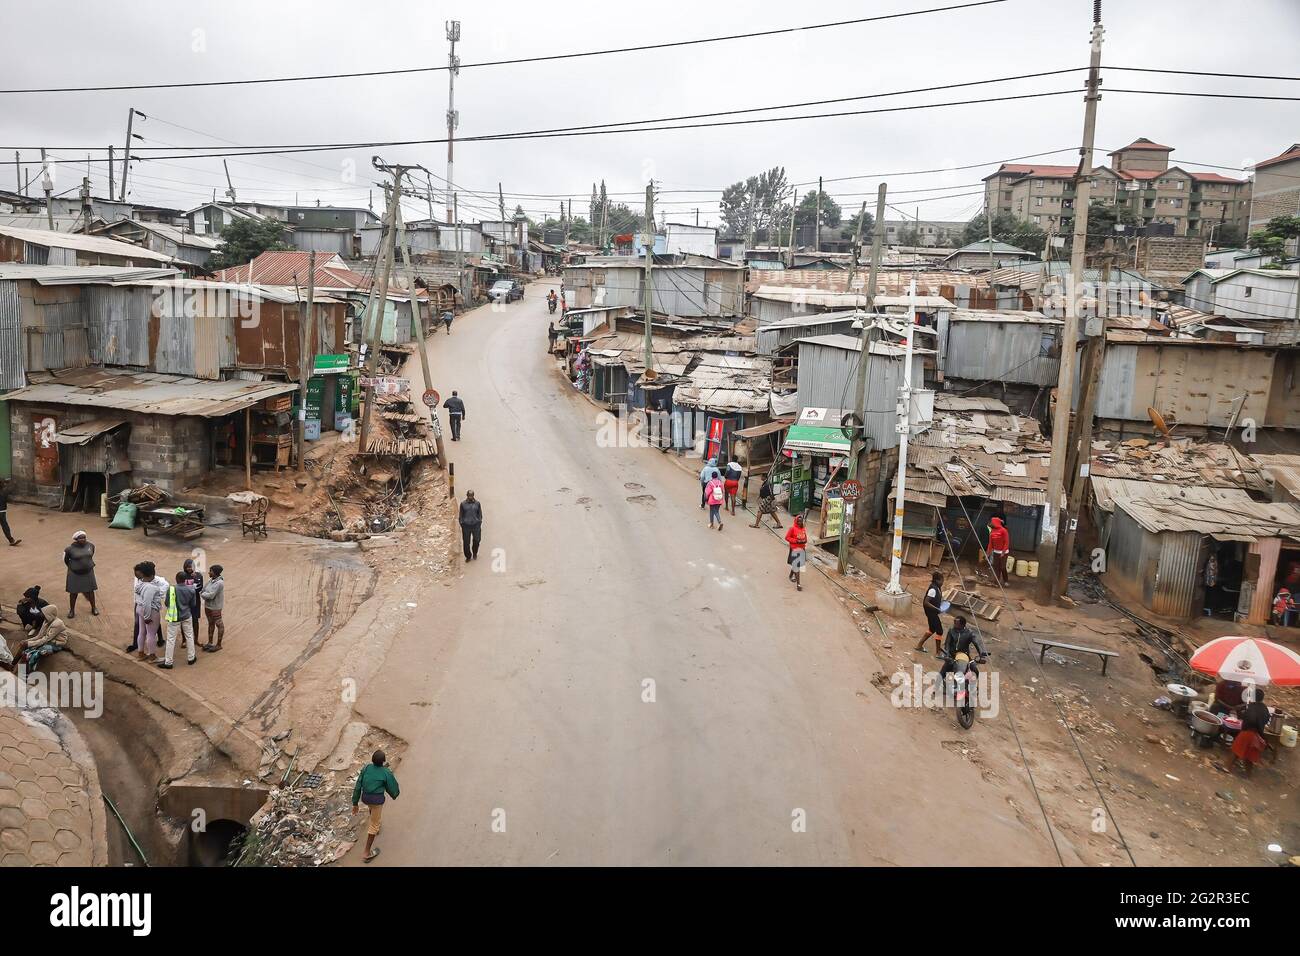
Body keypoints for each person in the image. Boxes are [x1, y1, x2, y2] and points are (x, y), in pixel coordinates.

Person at [351, 749, 400, 863]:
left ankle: (375, 829)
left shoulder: (366, 768)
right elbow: (392, 787)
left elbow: (358, 785)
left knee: (371, 809)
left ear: (372, 760)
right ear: (383, 761)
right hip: (376, 801)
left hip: (365, 798)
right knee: (374, 825)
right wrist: (395, 794)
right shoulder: (386, 772)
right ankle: (366, 853)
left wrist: (355, 803)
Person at [1222, 688, 1271, 777]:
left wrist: (1239, 712)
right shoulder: (1264, 708)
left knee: (1235, 750)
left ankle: (1227, 767)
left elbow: (1250, 719)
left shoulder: (1252, 707)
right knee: (1249, 755)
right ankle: (1248, 774)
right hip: (1258, 734)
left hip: (1248, 732)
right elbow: (1266, 719)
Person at [158, 572, 198, 669]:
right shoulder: (191, 589)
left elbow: (167, 603)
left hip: (174, 617)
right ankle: (191, 658)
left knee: (171, 639)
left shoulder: (172, 589)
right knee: (189, 636)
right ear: (185, 580)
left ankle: (168, 662)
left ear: (176, 579)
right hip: (187, 616)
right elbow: (193, 604)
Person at [938, 615, 987, 693]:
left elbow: (976, 643)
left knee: (975, 669)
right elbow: (947, 643)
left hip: (964, 655)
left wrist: (981, 654)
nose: (954, 625)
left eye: (956, 623)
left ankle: (973, 686)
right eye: (954, 623)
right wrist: (947, 654)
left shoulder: (969, 633)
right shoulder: (951, 631)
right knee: (944, 670)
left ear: (962, 624)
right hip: (952, 655)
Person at [18, 605, 68, 677]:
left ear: (49, 614)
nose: (41, 615)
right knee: (25, 653)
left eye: (43, 613)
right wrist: (27, 641)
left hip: (56, 644)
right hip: (47, 641)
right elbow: (39, 636)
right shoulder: (46, 621)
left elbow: (46, 639)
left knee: (34, 655)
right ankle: (21, 673)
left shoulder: (57, 624)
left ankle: (27, 675)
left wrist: (29, 643)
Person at [63, 531, 98, 619]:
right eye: (80, 538)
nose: (83, 539)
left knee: (91, 591)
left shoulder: (91, 546)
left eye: (84, 537)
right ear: (76, 539)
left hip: (88, 572)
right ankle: (72, 610)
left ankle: (94, 608)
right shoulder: (69, 549)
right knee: (73, 592)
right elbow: (66, 560)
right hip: (74, 573)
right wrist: (74, 567)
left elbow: (91, 555)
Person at [915, 572, 946, 654]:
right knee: (939, 631)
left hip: (933, 612)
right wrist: (937, 609)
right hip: (931, 613)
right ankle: (938, 652)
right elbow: (926, 602)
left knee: (932, 629)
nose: (943, 582)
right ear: (937, 580)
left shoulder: (937, 587)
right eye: (942, 580)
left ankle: (919, 645)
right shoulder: (933, 589)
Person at [200, 564, 225, 653]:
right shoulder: (211, 580)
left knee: (219, 624)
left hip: (215, 607)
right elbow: (204, 590)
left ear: (215, 573)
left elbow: (210, 595)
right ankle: (210, 643)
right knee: (211, 623)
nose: (209, 572)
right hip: (208, 606)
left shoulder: (219, 583)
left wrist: (202, 595)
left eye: (210, 571)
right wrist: (204, 594)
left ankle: (219, 644)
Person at [179, 558, 204, 635]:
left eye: (191, 567)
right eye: (188, 567)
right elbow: (180, 587)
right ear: (185, 567)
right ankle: (184, 640)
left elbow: (200, 588)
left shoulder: (199, 575)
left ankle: (195, 639)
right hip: (185, 601)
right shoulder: (182, 575)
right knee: (184, 620)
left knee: (195, 620)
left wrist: (195, 578)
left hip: (195, 601)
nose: (189, 568)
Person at [785, 514, 808, 591]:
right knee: (797, 567)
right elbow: (787, 537)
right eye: (798, 521)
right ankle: (798, 584)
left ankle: (791, 575)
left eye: (801, 521)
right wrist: (796, 541)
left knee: (797, 565)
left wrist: (804, 541)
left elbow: (806, 538)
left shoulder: (803, 529)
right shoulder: (792, 529)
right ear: (796, 521)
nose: (799, 523)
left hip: (802, 549)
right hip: (795, 549)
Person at [459, 490, 483, 561]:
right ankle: (468, 556)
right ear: (467, 495)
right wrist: (462, 524)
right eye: (469, 495)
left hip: (476, 526)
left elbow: (480, 514)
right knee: (466, 543)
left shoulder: (477, 503)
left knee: (477, 540)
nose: (470, 497)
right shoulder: (463, 504)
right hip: (466, 526)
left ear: (473, 495)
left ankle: (475, 553)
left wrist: (479, 521)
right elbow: (461, 515)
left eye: (472, 495)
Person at [987, 517, 1010, 585]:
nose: (991, 523)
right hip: (996, 552)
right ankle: (997, 581)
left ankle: (1006, 580)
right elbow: (990, 543)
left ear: (996, 523)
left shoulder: (1004, 530)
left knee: (1002, 567)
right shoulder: (992, 532)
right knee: (996, 567)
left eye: (992, 522)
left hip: (1004, 552)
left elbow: (1007, 542)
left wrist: (1003, 552)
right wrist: (988, 552)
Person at [0, 480, 20, 546]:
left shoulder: (4, 491)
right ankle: (11, 540)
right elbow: (10, 498)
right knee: (5, 526)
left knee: (5, 525)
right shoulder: (4, 492)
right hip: (2, 512)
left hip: (2, 511)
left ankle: (11, 540)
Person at [1203, 550, 1220, 617]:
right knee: (1209, 593)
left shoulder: (1212, 561)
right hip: (1211, 581)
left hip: (1210, 581)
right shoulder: (1214, 561)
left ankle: (1208, 608)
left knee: (1209, 593)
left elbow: (1211, 572)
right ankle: (1208, 608)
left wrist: (1209, 580)